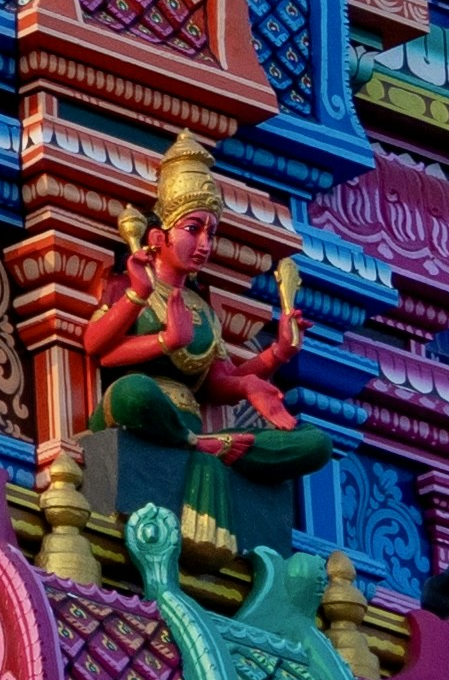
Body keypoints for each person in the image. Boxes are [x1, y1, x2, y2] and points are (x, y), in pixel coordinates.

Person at [76, 130, 330, 481]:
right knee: (131, 392)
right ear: (157, 237)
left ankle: (199, 443)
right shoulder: (129, 288)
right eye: (192, 229)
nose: (205, 244)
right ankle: (194, 443)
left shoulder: (203, 309)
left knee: (316, 443)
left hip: (190, 421)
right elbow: (98, 348)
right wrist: (162, 337)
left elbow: (219, 382)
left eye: (210, 234)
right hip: (140, 409)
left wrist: (277, 354)